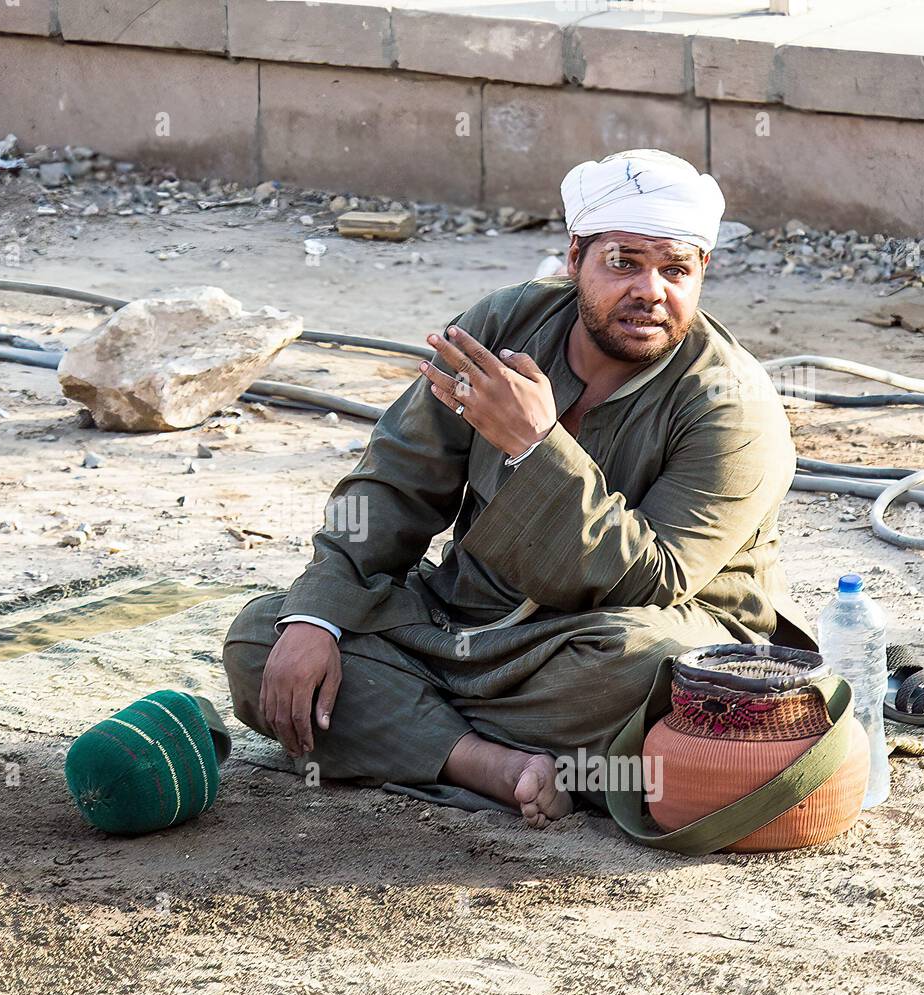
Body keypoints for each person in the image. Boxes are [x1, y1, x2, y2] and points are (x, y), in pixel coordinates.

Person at [223, 149, 817, 826]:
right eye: (624, 261)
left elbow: (654, 581)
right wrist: (319, 616)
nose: (651, 291)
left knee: (656, 668)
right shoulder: (503, 328)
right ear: (575, 258)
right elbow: (389, 485)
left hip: (611, 646)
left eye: (676, 269)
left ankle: (419, 734)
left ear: (701, 273)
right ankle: (496, 766)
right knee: (264, 640)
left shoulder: (732, 405)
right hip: (466, 627)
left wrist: (537, 448)